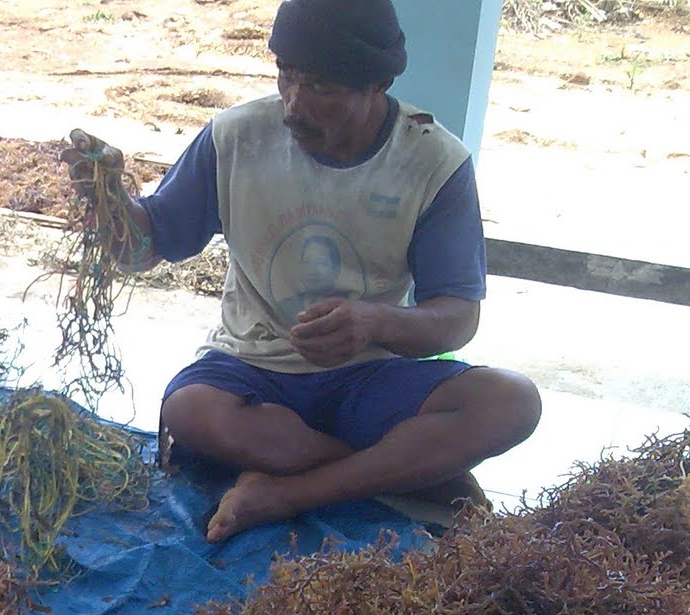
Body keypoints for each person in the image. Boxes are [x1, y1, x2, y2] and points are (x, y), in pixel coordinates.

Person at [64, 0, 541, 543]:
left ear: (378, 84)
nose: (293, 105)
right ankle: (414, 475)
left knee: (512, 401)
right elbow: (142, 251)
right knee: (190, 409)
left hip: (368, 373)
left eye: (320, 88)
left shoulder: (433, 164)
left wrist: (373, 323)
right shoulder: (235, 138)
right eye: (285, 77)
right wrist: (108, 203)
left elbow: (457, 316)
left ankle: (284, 493)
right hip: (251, 364)